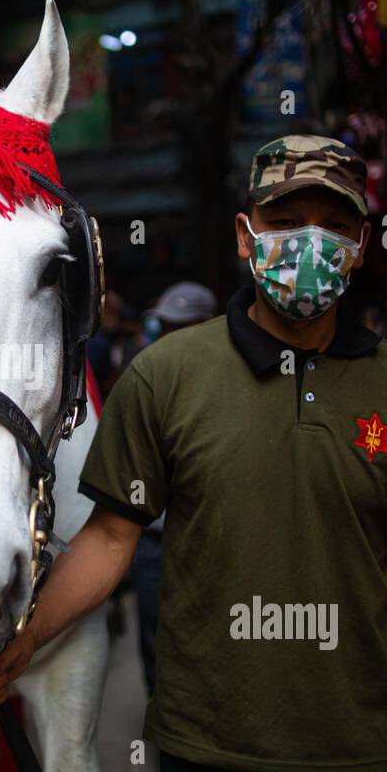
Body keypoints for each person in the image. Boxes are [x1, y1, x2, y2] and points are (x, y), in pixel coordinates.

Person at [0, 135, 387, 772]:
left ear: (361, 244)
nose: (309, 245)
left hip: (378, 761)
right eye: (286, 224)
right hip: (210, 761)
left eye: (334, 227)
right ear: (245, 235)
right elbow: (112, 537)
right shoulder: (166, 377)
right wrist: (22, 642)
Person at [130, 282, 218, 697]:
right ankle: (162, 727)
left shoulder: (232, 385)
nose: (169, 337)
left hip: (212, 543)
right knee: (156, 641)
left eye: (181, 327)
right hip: (153, 543)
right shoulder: (146, 378)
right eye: (164, 326)